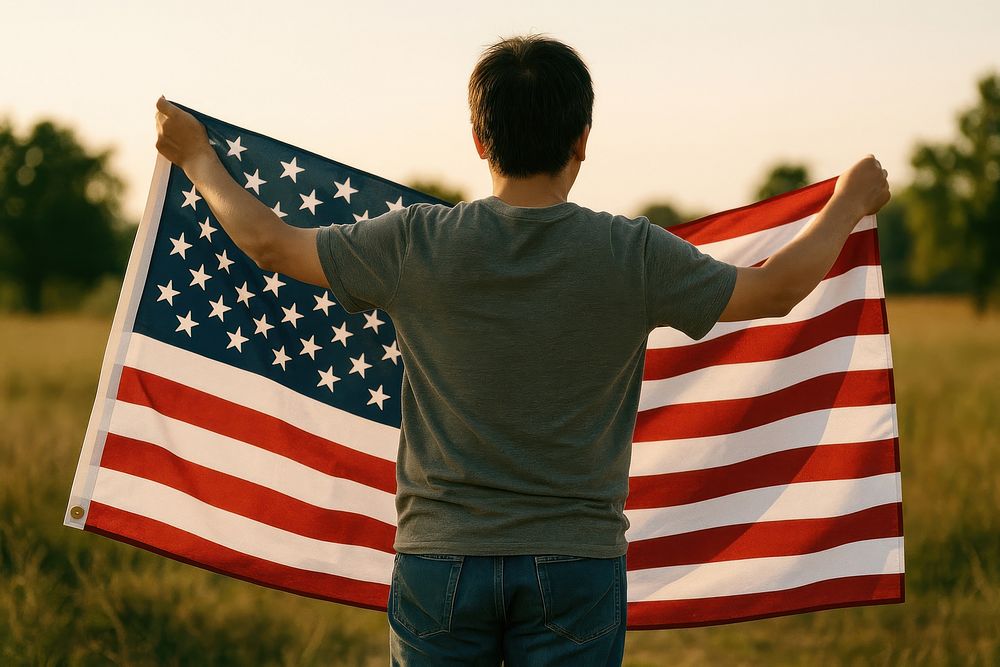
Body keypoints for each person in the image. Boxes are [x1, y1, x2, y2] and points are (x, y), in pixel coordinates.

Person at [154, 34, 890, 667]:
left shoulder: (415, 242)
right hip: (576, 566)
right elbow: (774, 290)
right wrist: (848, 200)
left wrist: (198, 158)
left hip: (439, 562)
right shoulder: (630, 252)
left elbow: (270, 244)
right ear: (582, 140)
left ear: (480, 140)